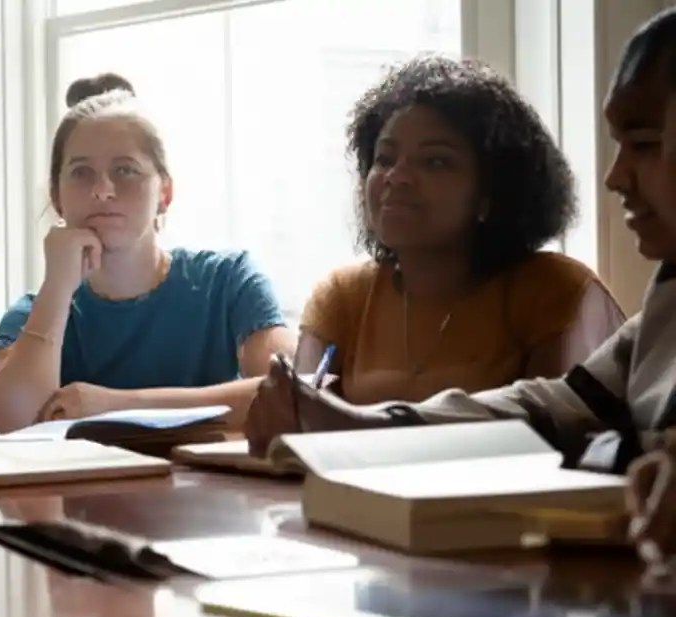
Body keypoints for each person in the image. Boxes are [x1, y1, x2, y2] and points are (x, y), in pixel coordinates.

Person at [246, 9, 676, 559]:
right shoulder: (669, 300)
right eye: (385, 158)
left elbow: (574, 447)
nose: (615, 177)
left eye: (643, 143)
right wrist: (362, 425)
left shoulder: (553, 288)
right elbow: (555, 409)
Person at [295, 56, 622, 407]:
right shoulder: (343, 298)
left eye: (435, 161)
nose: (396, 177)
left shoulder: (552, 291)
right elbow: (301, 420)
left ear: (490, 193)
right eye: (385, 158)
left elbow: (556, 434)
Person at [0, 74, 295, 433]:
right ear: (57, 197)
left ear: (165, 193)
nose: (102, 190)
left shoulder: (229, 281)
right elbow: (5, 419)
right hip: (82, 489)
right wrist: (57, 289)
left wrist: (116, 405)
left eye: (125, 170)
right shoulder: (33, 313)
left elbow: (292, 390)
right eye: (81, 173)